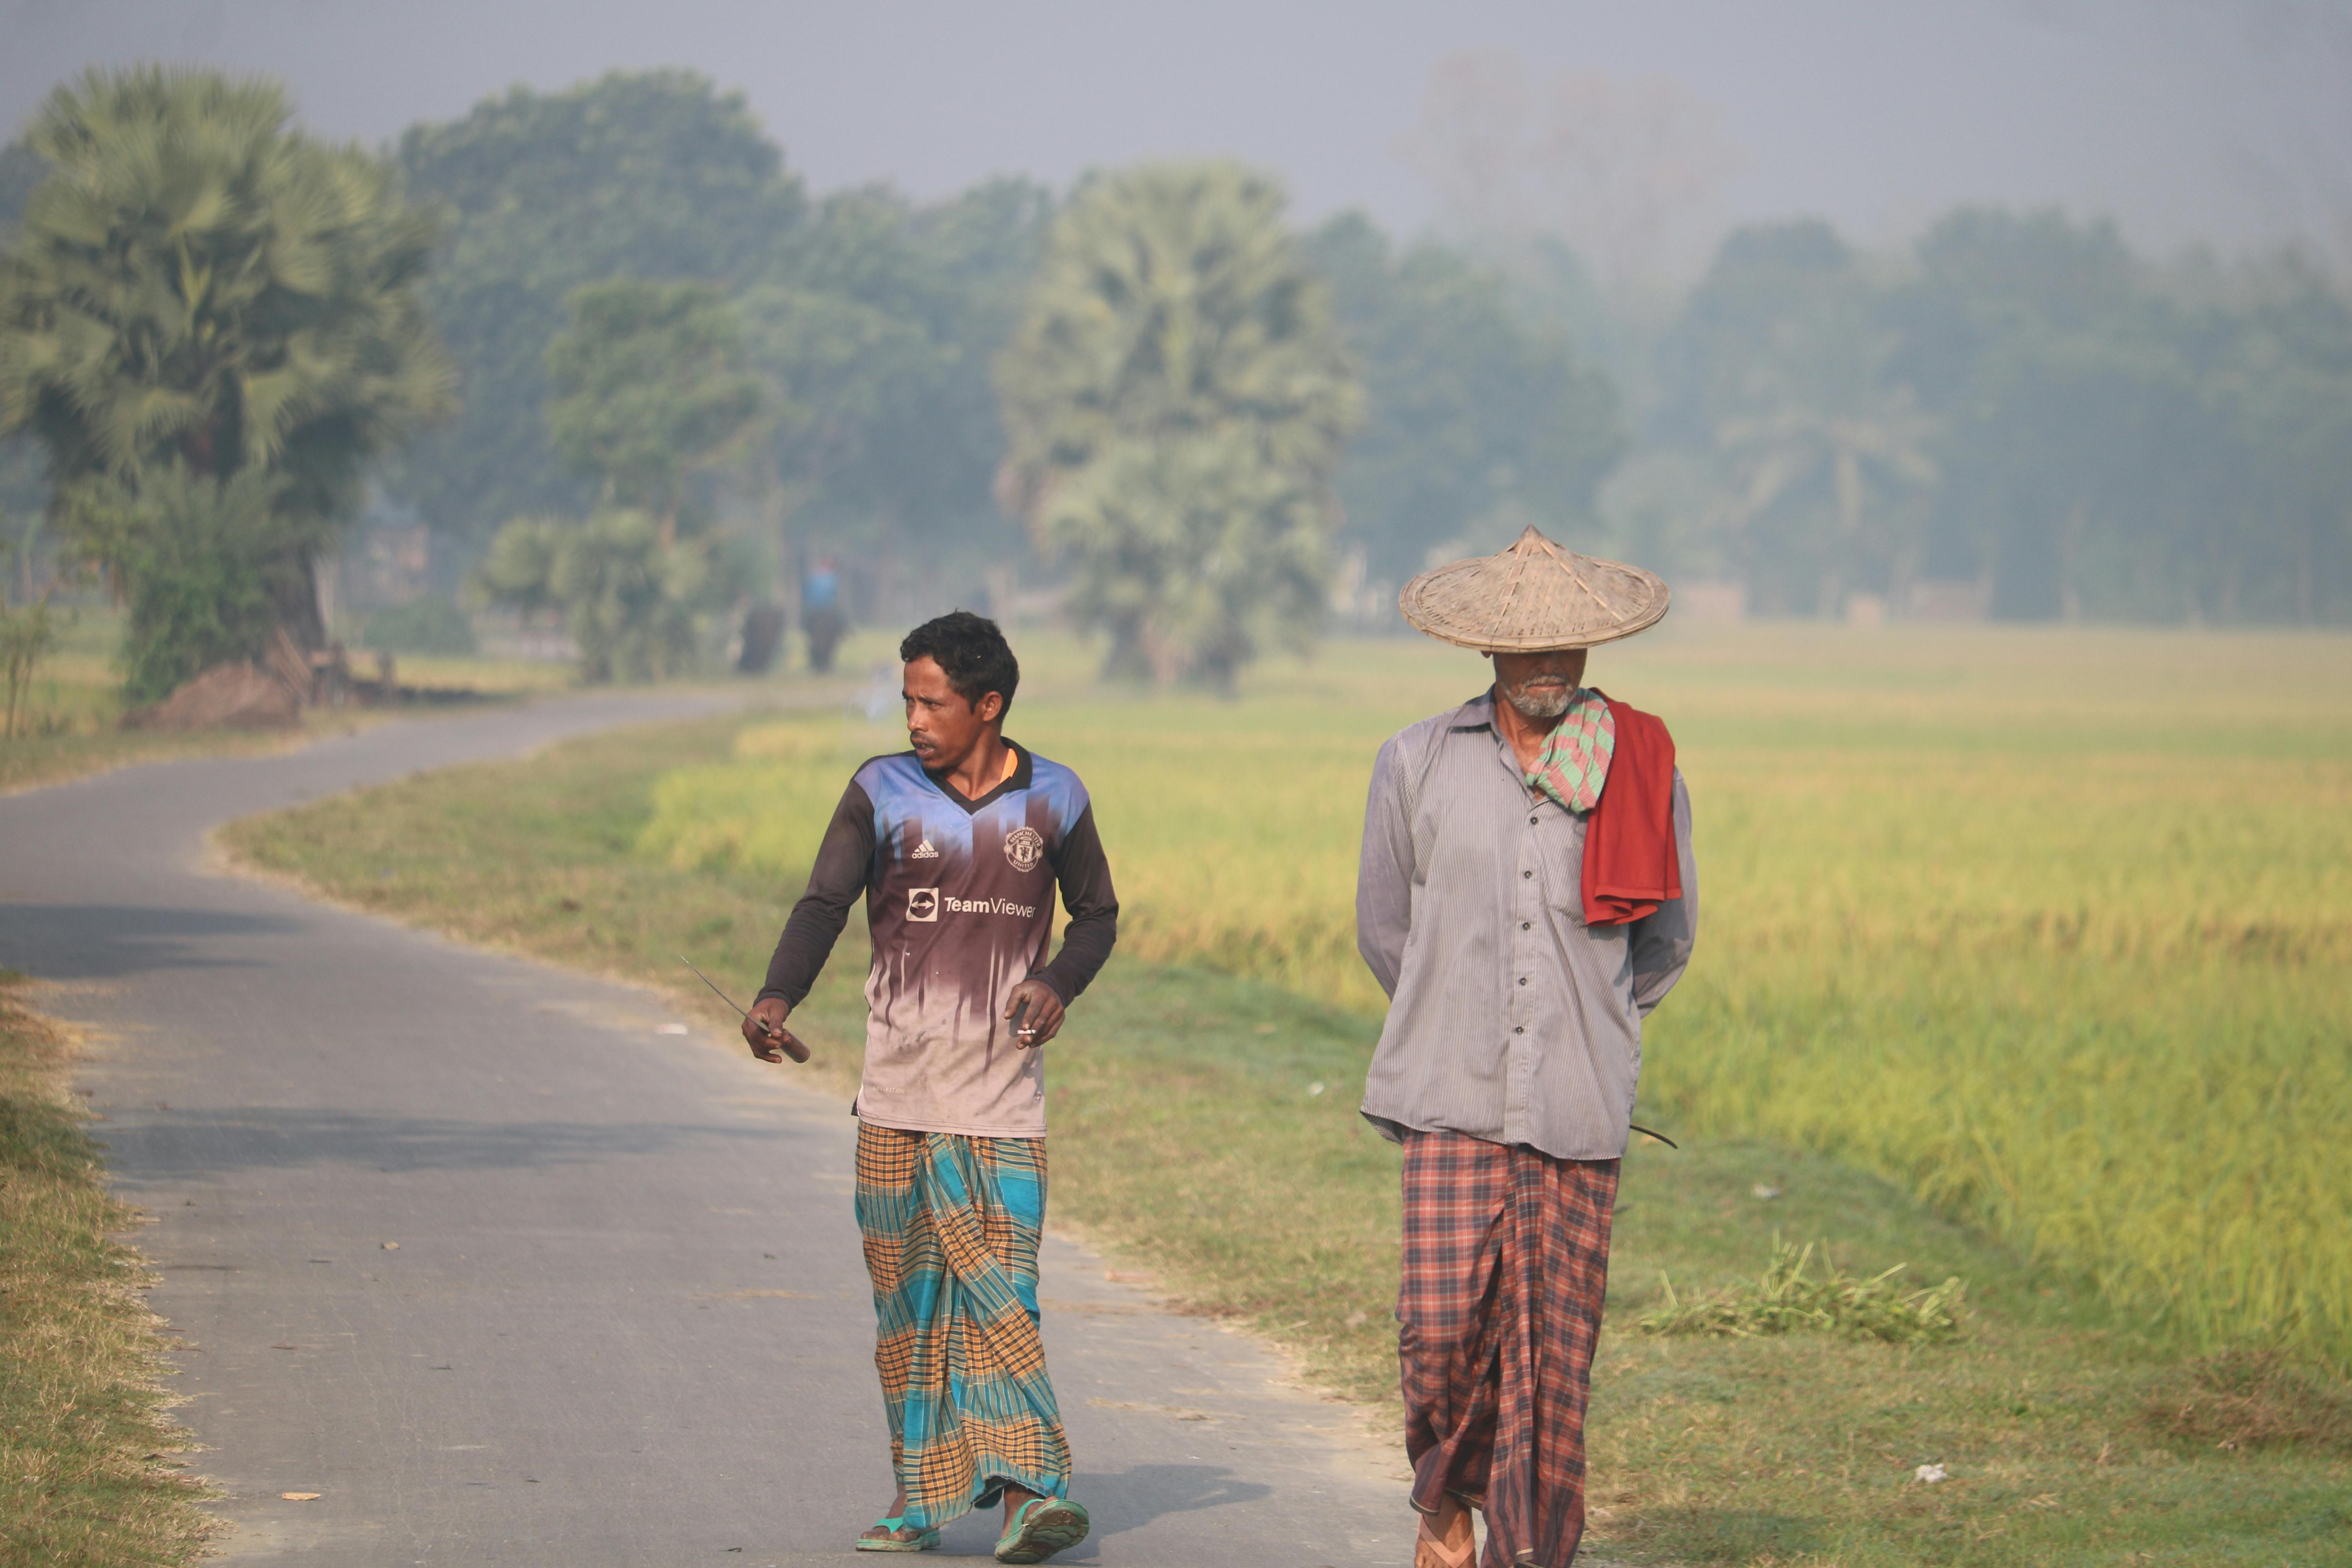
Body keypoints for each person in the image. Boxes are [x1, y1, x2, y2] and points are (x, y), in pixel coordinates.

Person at [1355, 526, 1697, 1568]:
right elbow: (1386, 929)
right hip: (1447, 1087)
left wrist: (1585, 1019)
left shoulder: (1643, 763)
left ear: (1594, 652)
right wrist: (1452, 1005)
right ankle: (1446, 1499)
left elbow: (1665, 944)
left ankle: (1530, 1552)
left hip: (1576, 1103)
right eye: (1528, 651)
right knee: (1441, 1334)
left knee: (1554, 1364)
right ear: (1488, 655)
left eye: (1567, 651)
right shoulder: (1416, 760)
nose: (1549, 669)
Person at [745, 610, 1116, 1564]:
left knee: (1004, 1295)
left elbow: (1098, 917)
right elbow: (825, 901)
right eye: (907, 698)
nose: (913, 716)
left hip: (1001, 1102)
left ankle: (1034, 1494)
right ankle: (921, 1499)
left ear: (988, 705)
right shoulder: (881, 790)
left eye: (932, 700)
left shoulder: (1057, 798)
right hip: (896, 1098)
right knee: (907, 1310)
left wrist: (1056, 981)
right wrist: (776, 997)